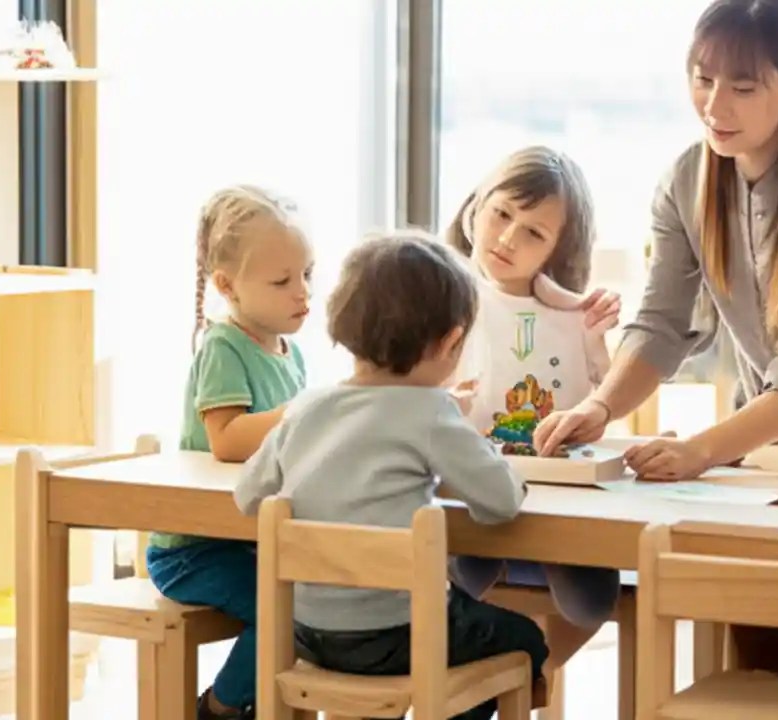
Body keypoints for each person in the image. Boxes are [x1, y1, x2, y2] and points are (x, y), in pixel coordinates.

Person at [531, 0, 778, 670]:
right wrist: (599, 406)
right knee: (754, 648)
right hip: (765, 447)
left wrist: (701, 451)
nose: (715, 105)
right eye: (702, 79)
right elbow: (662, 323)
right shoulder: (687, 181)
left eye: (744, 87)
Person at [234, 231, 548, 720]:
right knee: (525, 641)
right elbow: (501, 500)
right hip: (396, 634)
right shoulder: (430, 411)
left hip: (307, 632)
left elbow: (250, 498)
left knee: (461, 616)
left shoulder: (306, 407)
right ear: (451, 341)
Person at [441, 145, 624, 676]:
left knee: (592, 600)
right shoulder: (443, 293)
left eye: (534, 233)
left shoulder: (573, 314)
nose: (507, 239)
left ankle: (525, 681)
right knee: (455, 580)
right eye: (502, 214)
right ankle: (481, 684)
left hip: (557, 495)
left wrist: (592, 334)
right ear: (477, 207)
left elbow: (602, 395)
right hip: (472, 494)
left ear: (557, 250)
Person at [147, 185, 312, 720]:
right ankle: (218, 709)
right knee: (282, 613)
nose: (302, 292)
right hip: (194, 550)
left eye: (308, 273)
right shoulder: (223, 345)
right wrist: (304, 412)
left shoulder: (293, 353)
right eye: (283, 281)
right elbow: (228, 437)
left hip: (252, 540)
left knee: (325, 603)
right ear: (227, 285)